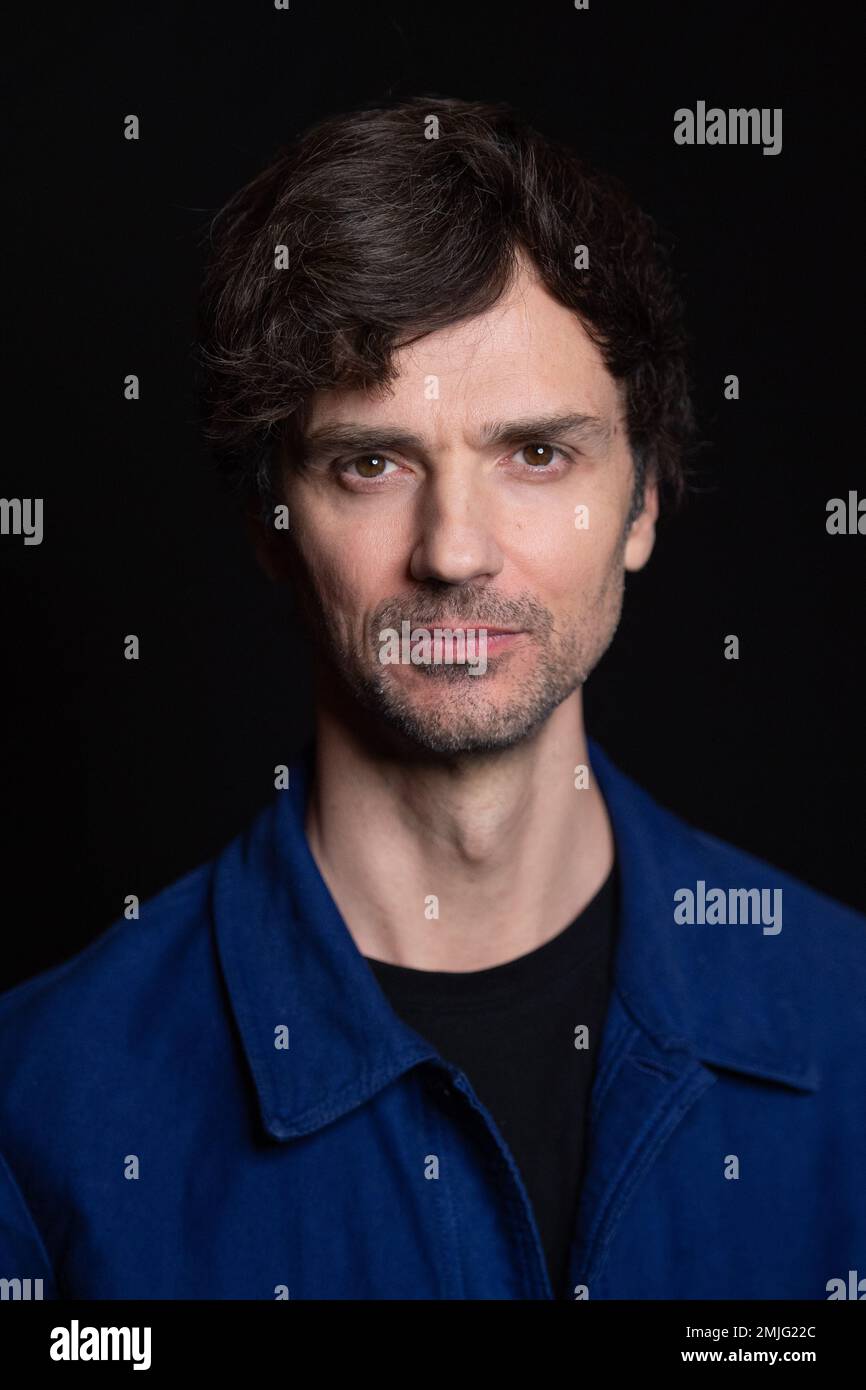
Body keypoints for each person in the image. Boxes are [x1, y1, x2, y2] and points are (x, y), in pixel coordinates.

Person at [1, 96, 863, 1302]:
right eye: (371, 462)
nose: (454, 551)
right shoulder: (40, 1112)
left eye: (536, 455)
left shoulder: (846, 1023)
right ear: (272, 520)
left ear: (644, 504)